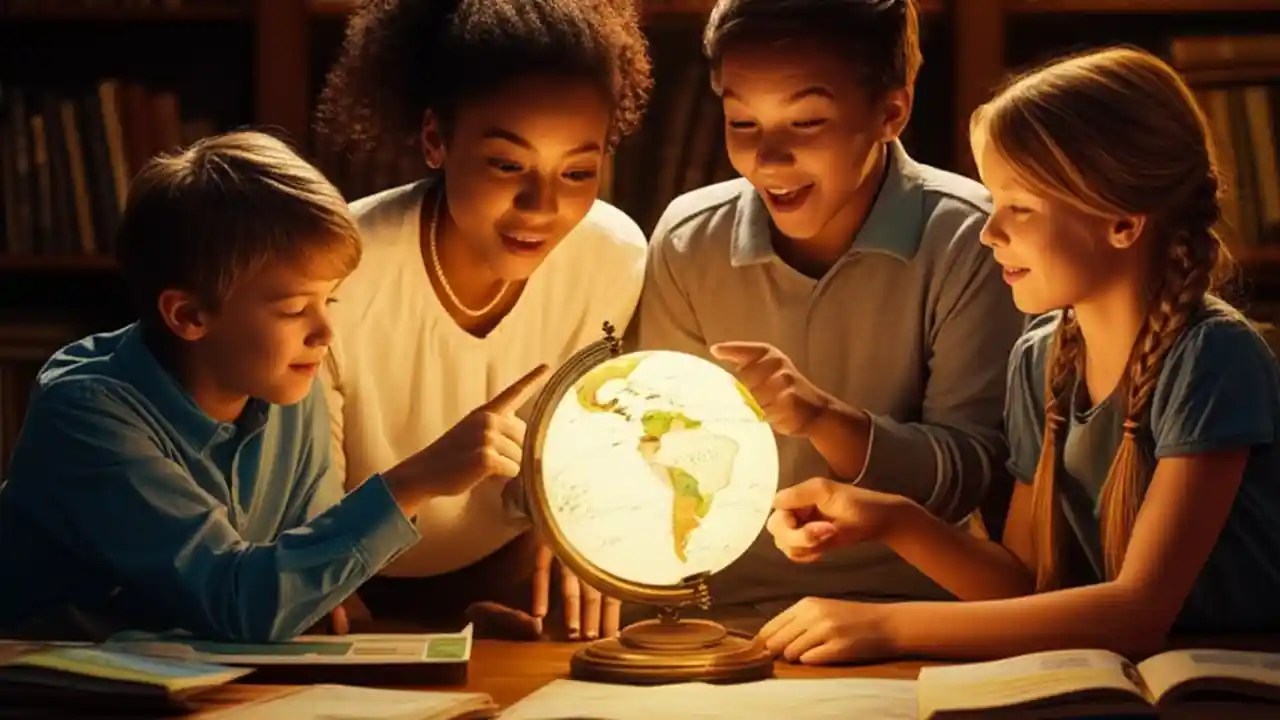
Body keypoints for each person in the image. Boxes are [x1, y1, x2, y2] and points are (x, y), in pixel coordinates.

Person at [760, 46, 1280, 665]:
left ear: (1121, 221)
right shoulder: (1040, 359)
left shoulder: (1212, 356)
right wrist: (890, 519)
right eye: (992, 201)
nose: (988, 232)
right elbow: (1021, 583)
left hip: (1235, 679)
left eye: (1021, 208)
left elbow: (1139, 613)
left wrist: (887, 627)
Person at [0, 131, 548, 643]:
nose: (326, 333)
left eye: (329, 300)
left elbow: (310, 586)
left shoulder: (286, 386)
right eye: (293, 309)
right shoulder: (86, 413)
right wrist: (418, 478)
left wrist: (456, 620)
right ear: (189, 315)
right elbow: (242, 602)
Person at [635, 0, 1025, 630]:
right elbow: (654, 455)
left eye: (807, 121)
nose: (768, 159)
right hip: (713, 610)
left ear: (890, 112)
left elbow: (971, 474)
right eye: (742, 122)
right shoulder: (688, 240)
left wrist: (820, 417)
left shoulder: (970, 238)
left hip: (909, 612)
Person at [312, 0, 652, 640]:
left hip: (517, 590)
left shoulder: (612, 256)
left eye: (578, 171)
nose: (542, 206)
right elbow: (304, 509)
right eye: (506, 164)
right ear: (437, 139)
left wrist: (581, 523)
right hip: (345, 591)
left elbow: (585, 441)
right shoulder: (340, 268)